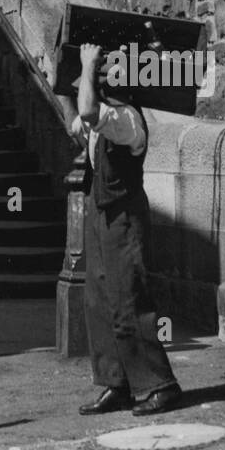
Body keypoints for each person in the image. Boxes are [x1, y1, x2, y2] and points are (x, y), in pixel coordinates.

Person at [73, 42, 182, 416]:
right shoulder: (105, 116)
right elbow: (79, 118)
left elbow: (86, 110)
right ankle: (115, 383)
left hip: (123, 215)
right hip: (101, 208)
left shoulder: (127, 119)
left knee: (128, 299)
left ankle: (160, 385)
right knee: (99, 299)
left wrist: (88, 64)